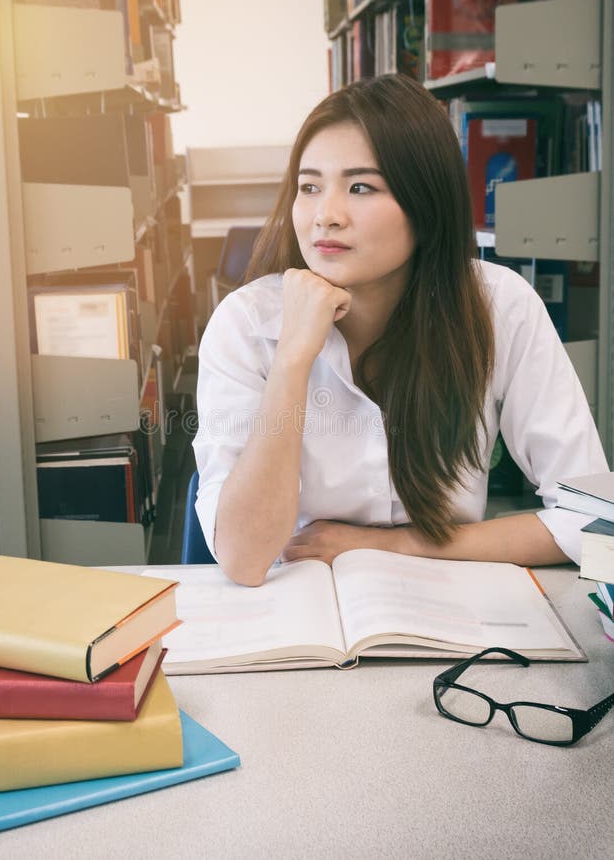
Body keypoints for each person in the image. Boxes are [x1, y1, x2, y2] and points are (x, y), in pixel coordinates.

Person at [192, 74, 608, 587]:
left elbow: (595, 522)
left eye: (361, 186)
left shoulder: (500, 306)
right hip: (300, 614)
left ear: (425, 202)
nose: (326, 215)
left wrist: (390, 545)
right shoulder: (247, 323)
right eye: (309, 186)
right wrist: (294, 358)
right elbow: (242, 557)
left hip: (452, 611)